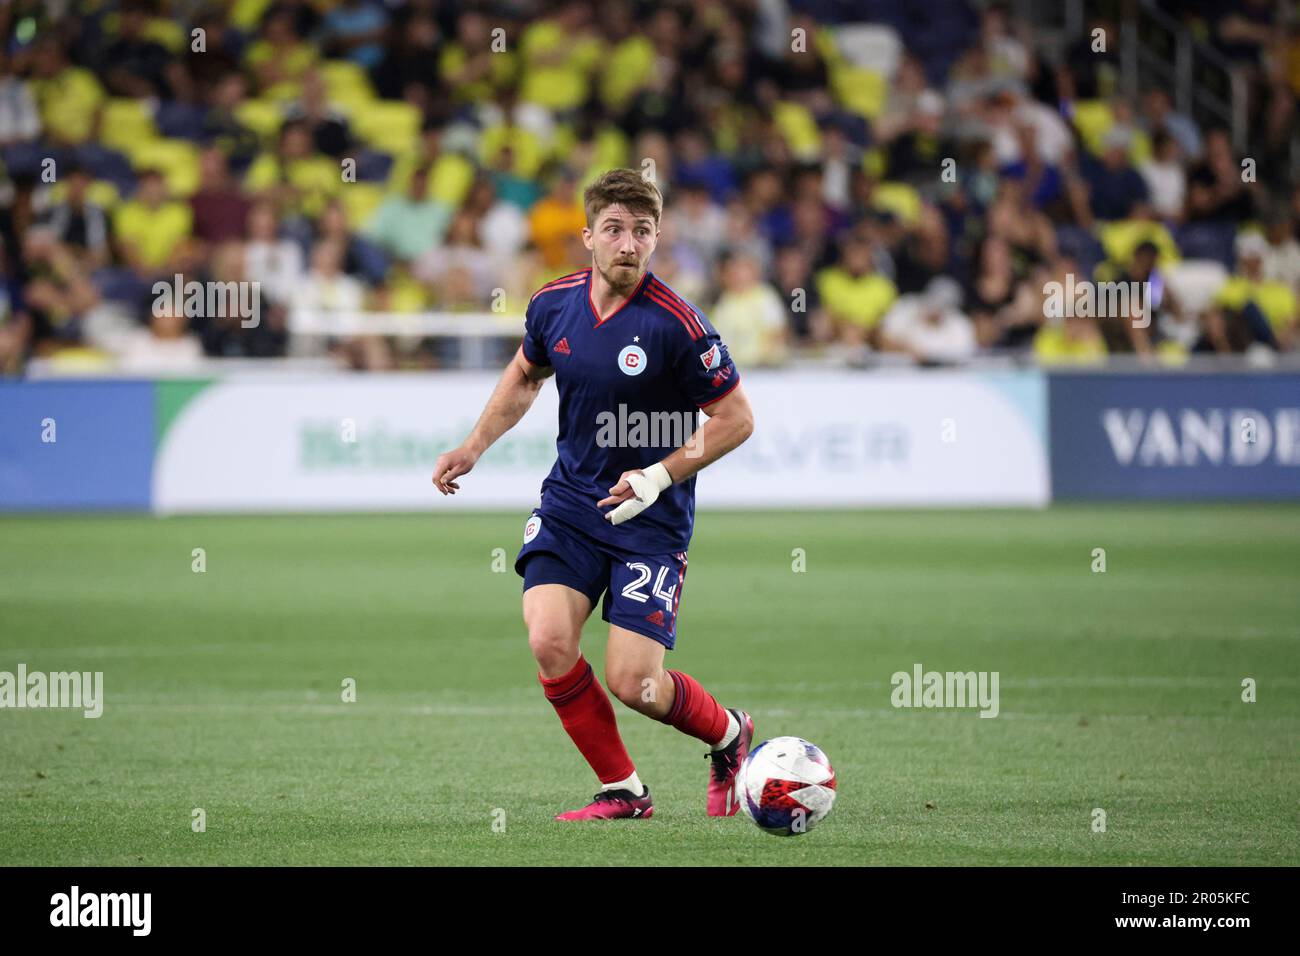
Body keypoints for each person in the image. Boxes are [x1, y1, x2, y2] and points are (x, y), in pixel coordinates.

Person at [431, 169, 757, 821]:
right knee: (549, 640)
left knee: (636, 683)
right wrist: (473, 445)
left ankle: (730, 737)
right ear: (588, 236)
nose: (628, 244)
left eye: (641, 231)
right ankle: (624, 791)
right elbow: (526, 376)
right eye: (614, 229)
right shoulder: (553, 304)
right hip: (572, 508)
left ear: (657, 237)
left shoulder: (680, 327)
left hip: (651, 522)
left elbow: (736, 419)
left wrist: (657, 475)